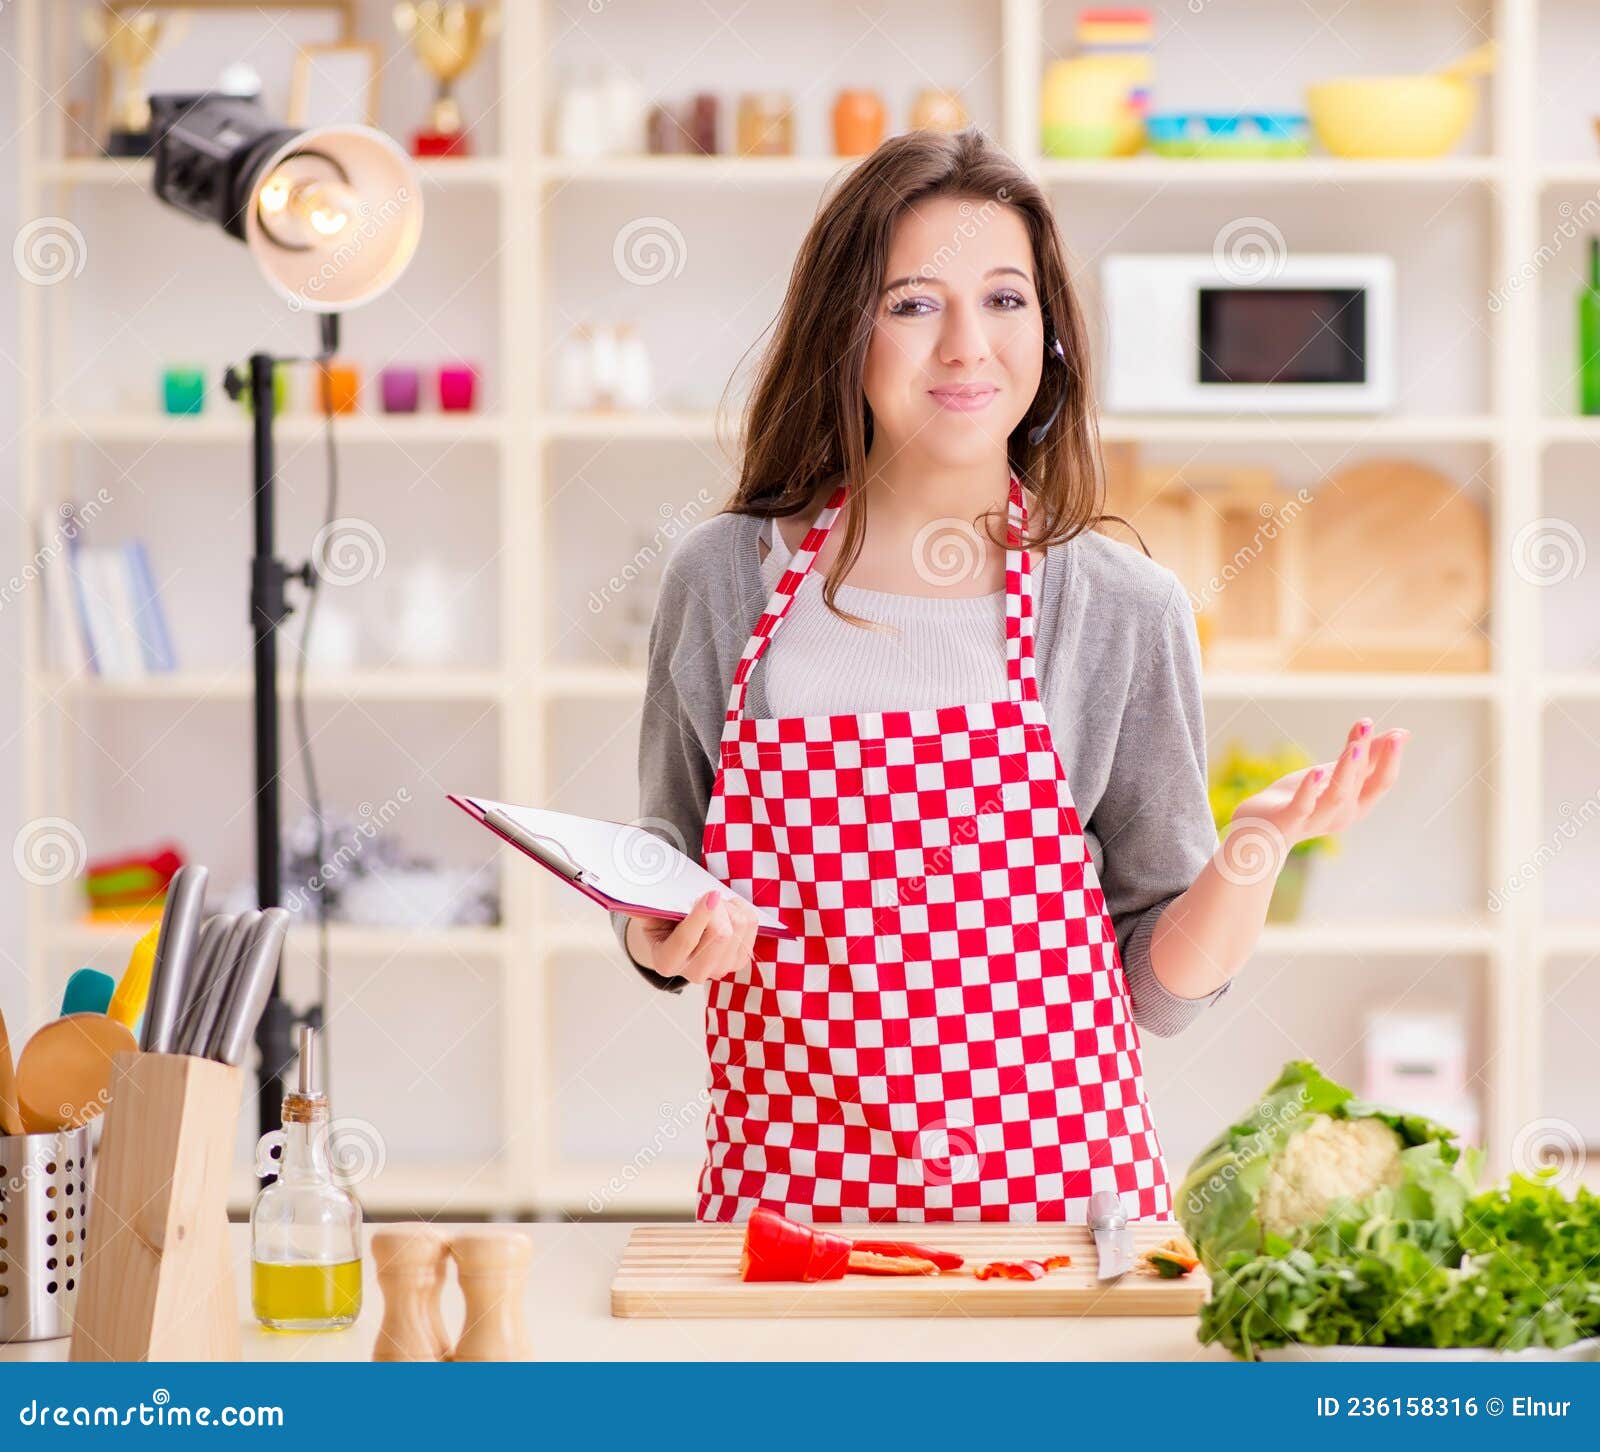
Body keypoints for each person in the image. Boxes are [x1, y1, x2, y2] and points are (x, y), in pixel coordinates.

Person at [611, 127, 1407, 1223]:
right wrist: (657, 927)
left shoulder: (1121, 608)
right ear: (842, 332)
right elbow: (659, 860)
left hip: (1057, 1212)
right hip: (791, 1208)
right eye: (910, 303)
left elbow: (1157, 991)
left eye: (1003, 299)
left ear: (1051, 336)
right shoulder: (725, 577)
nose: (964, 347)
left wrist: (1254, 847)